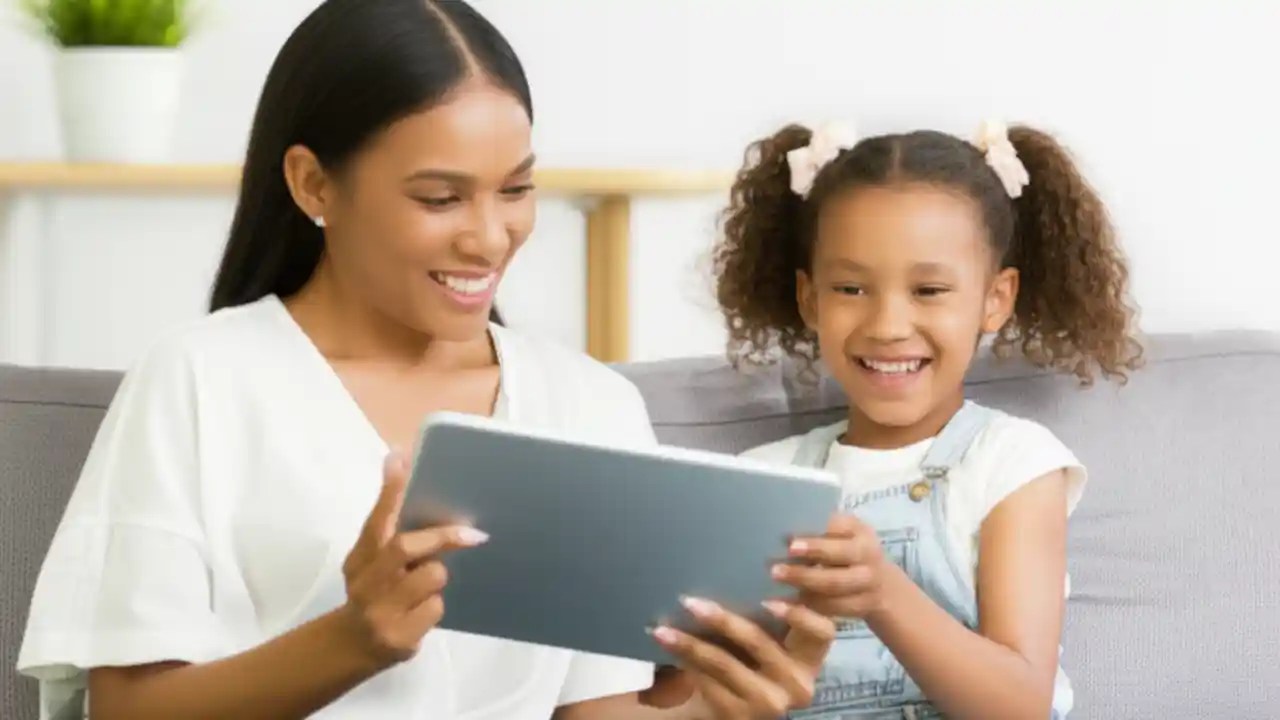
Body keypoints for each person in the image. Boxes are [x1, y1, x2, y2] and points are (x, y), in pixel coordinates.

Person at [15, 1, 835, 718]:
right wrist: (353, 638)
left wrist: (723, 712)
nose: (488, 236)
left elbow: (596, 713)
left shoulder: (588, 406)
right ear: (312, 186)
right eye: (439, 198)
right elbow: (125, 711)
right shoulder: (201, 381)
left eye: (514, 189)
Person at [710, 118, 1143, 718]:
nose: (888, 325)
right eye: (851, 289)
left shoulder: (1011, 462)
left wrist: (883, 592)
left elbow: (1018, 705)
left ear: (995, 299)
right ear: (810, 299)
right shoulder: (761, 479)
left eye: (930, 290)